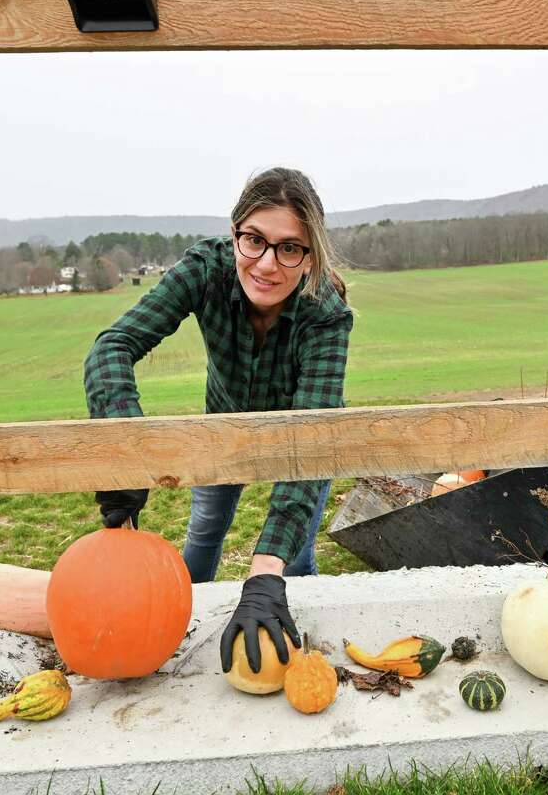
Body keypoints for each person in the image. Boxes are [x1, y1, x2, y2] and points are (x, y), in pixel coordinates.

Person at [83, 167, 353, 677]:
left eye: (289, 248)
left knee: (292, 557)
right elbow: (111, 347)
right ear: (234, 234)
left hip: (302, 441)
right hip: (222, 429)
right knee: (205, 531)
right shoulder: (204, 270)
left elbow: (309, 440)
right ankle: (174, 630)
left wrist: (263, 574)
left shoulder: (327, 313)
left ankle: (295, 645)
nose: (268, 264)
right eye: (254, 241)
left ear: (310, 255)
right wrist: (127, 457)